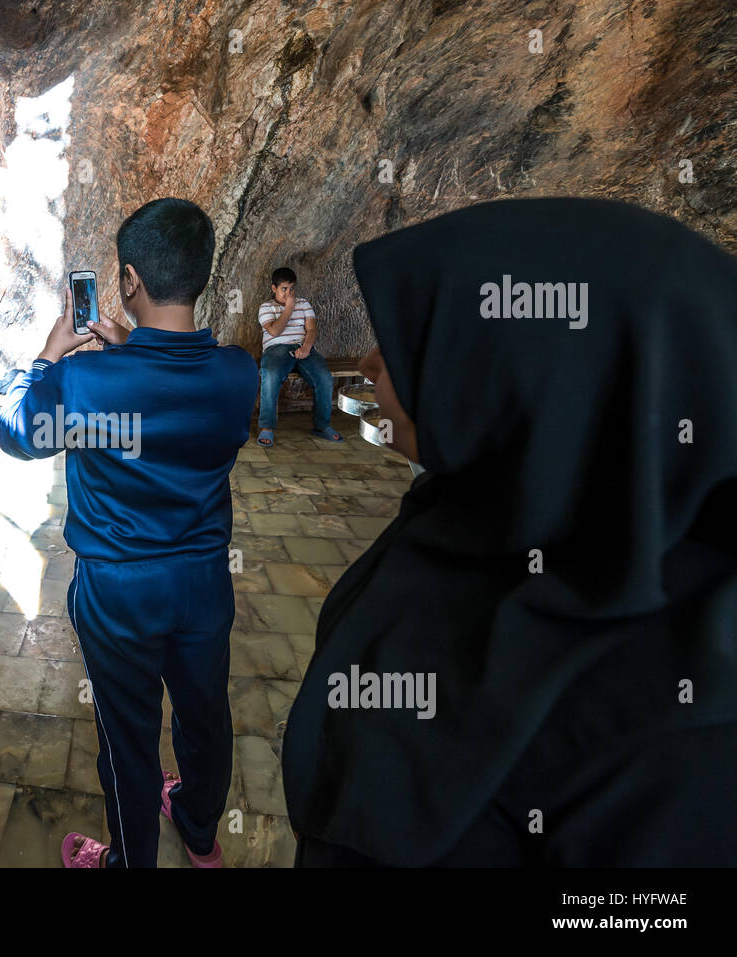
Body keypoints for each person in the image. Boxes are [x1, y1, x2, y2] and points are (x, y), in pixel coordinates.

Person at [282, 197, 737, 866]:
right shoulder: (478, 509)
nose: (374, 366)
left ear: (535, 374)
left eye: (419, 347)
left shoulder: (687, 746)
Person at [0, 198, 260, 868]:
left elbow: (16, 433)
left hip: (118, 591)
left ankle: (130, 861)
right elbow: (174, 396)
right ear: (201, 274)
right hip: (203, 581)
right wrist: (132, 350)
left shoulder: (84, 379)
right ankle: (200, 831)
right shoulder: (238, 374)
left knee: (127, 738)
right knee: (205, 717)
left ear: (130, 281)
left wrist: (50, 357)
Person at [256, 267, 342, 446]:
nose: (289, 293)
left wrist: (307, 347)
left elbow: (311, 329)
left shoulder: (304, 304)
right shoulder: (266, 307)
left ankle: (322, 426)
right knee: (270, 375)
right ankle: (267, 428)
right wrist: (288, 308)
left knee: (324, 377)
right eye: (284, 289)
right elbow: (274, 331)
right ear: (274, 288)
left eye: (292, 289)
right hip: (277, 349)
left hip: (304, 348)